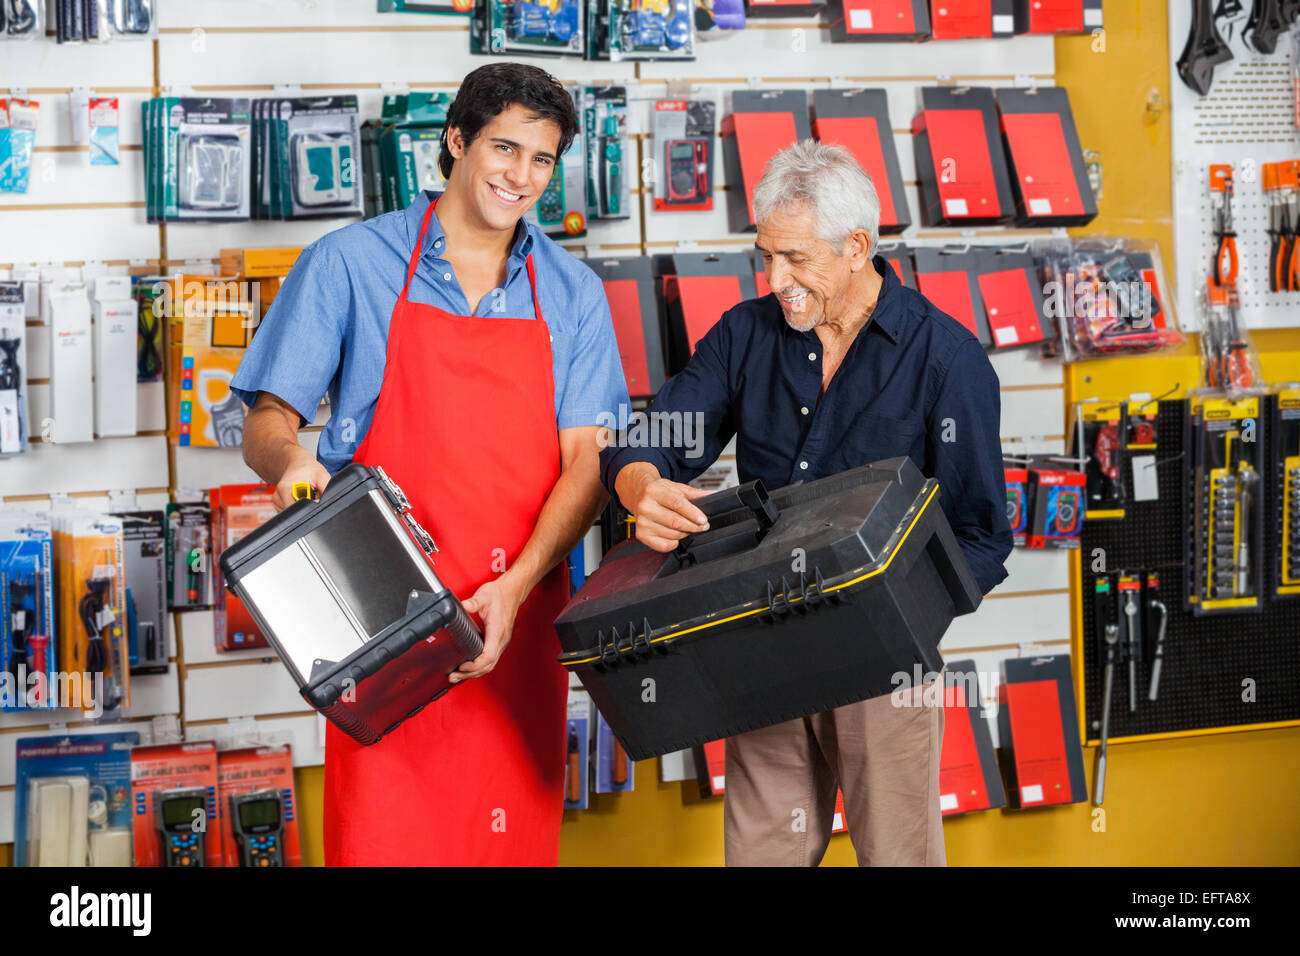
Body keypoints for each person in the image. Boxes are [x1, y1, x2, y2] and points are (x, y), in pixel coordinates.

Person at [231, 62, 628, 866]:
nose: (521, 177)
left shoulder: (575, 294)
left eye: (542, 160)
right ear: (455, 142)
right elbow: (268, 418)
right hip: (380, 630)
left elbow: (587, 462)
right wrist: (292, 468)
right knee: (384, 839)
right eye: (503, 148)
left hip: (515, 621)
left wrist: (514, 589)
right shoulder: (350, 264)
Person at [600, 139, 1013, 866]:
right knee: (763, 856)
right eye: (766, 255)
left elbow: (980, 536)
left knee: (899, 857)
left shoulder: (947, 360)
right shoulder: (745, 333)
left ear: (857, 248)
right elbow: (652, 438)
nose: (775, 278)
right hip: (763, 643)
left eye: (796, 258)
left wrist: (897, 624)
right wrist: (642, 484)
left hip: (886, 665)